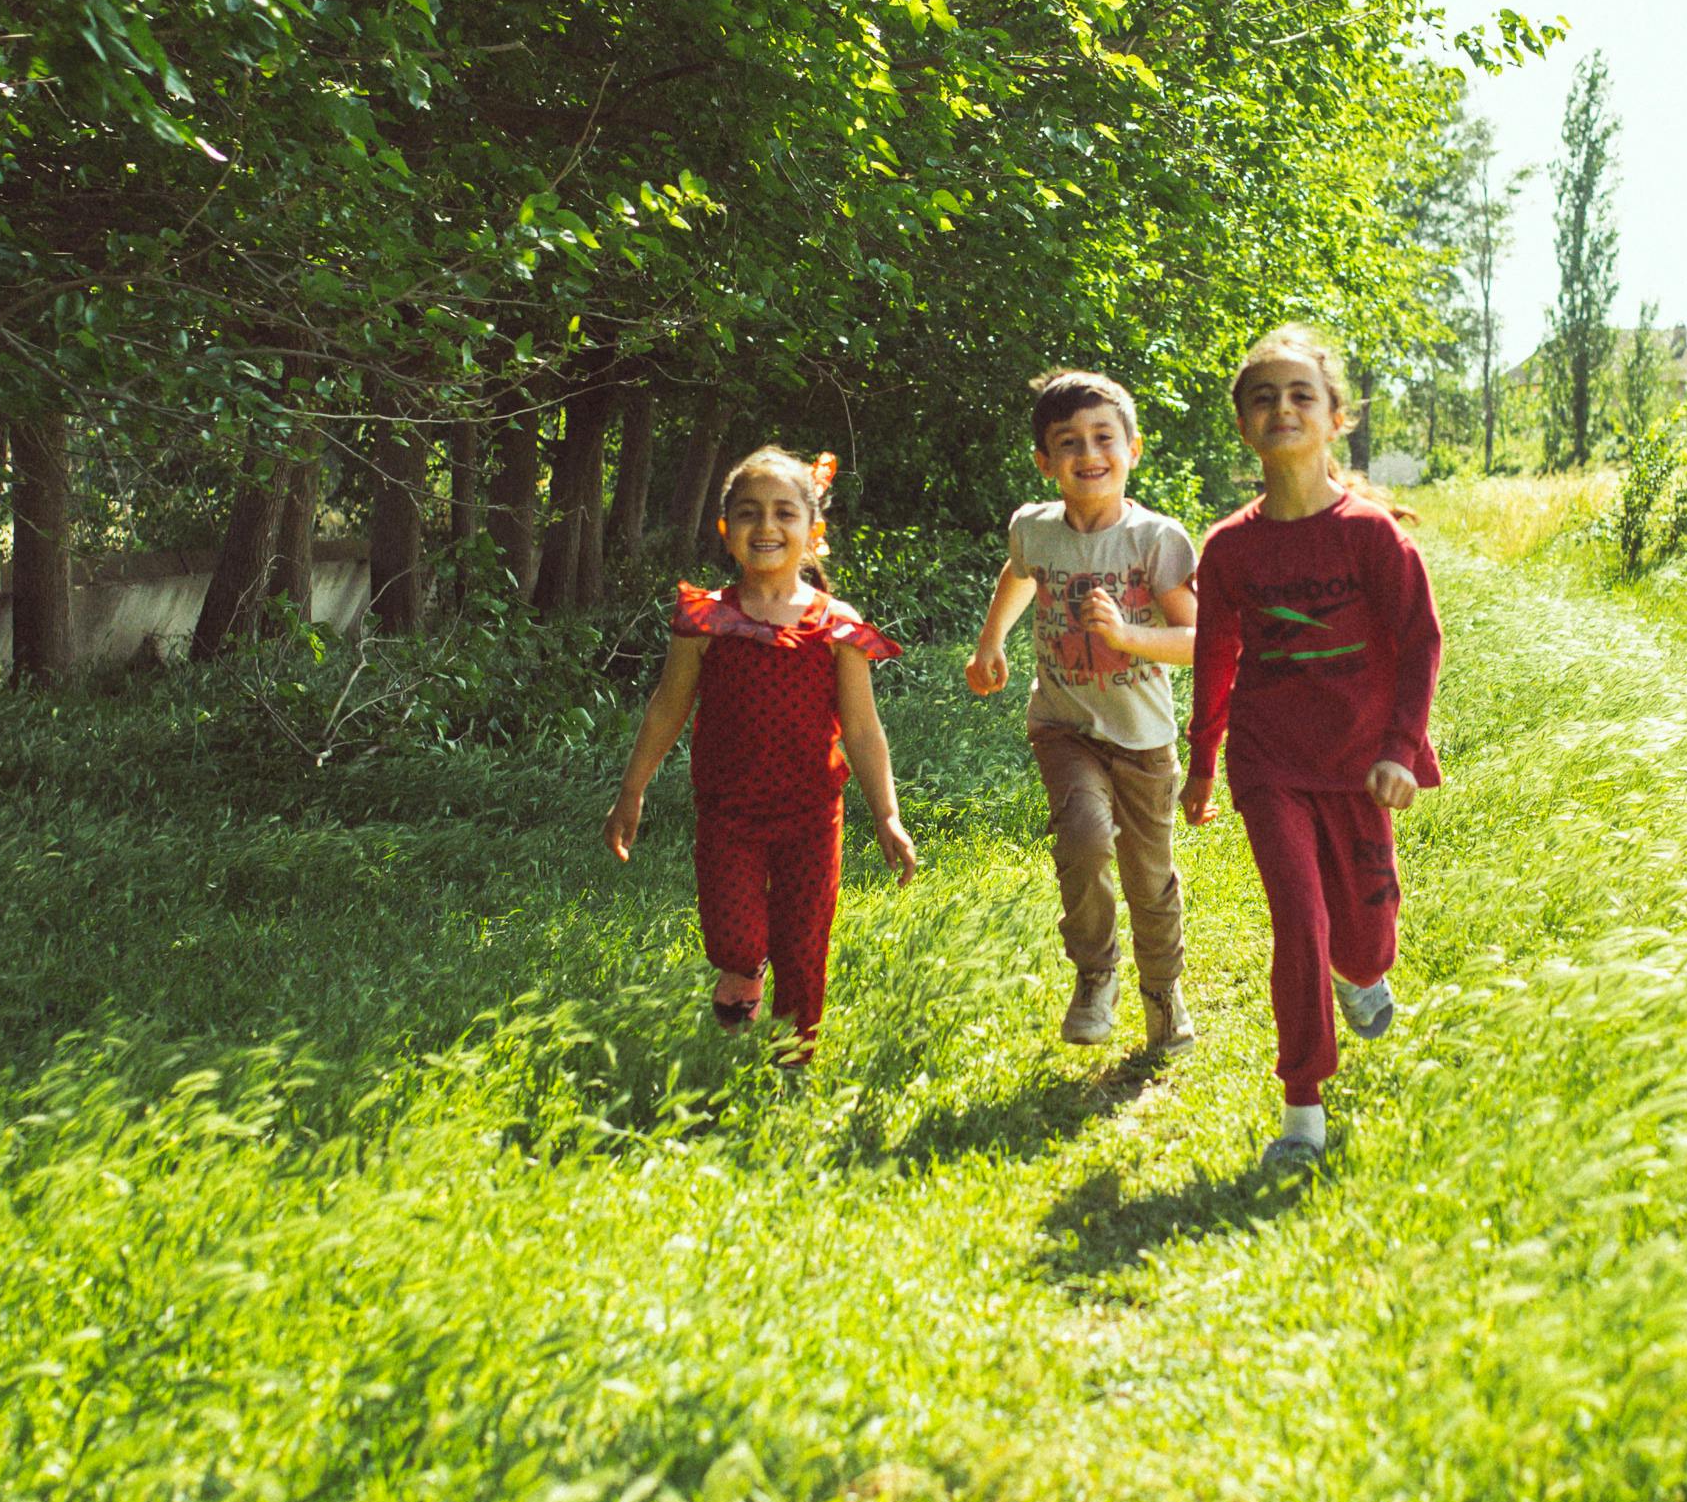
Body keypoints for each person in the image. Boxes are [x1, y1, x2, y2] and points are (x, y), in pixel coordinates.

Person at [1181, 324, 1441, 1172]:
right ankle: (1302, 1110)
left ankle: (1362, 974)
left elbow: (1419, 642)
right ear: (1245, 426)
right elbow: (1215, 660)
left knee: (1361, 937)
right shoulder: (1228, 549)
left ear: (1337, 418)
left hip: (1361, 761)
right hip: (1271, 762)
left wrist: (1402, 748)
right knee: (1299, 918)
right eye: (1264, 397)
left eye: (1301, 394)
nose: (1282, 407)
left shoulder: (1371, 536)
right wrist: (1203, 763)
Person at [605, 446, 919, 1060]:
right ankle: (744, 971)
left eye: (784, 513)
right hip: (729, 816)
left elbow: (862, 728)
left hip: (810, 815)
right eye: (749, 514)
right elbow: (668, 708)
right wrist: (632, 788)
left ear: (813, 532)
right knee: (734, 936)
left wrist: (886, 814)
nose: (767, 527)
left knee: (803, 946)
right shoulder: (706, 620)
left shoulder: (837, 626)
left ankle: (793, 1063)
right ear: (726, 532)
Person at [962, 369, 1202, 1048]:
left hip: (1143, 738)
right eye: (1068, 442)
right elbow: (1017, 575)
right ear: (1045, 462)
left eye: (1103, 437)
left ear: (1133, 448)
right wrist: (989, 645)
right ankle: (1096, 975)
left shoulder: (1156, 539)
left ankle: (1162, 989)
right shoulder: (1035, 530)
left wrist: (1127, 635)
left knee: (1149, 878)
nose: (1088, 453)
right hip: (1063, 725)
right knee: (1084, 843)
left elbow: (1203, 640)